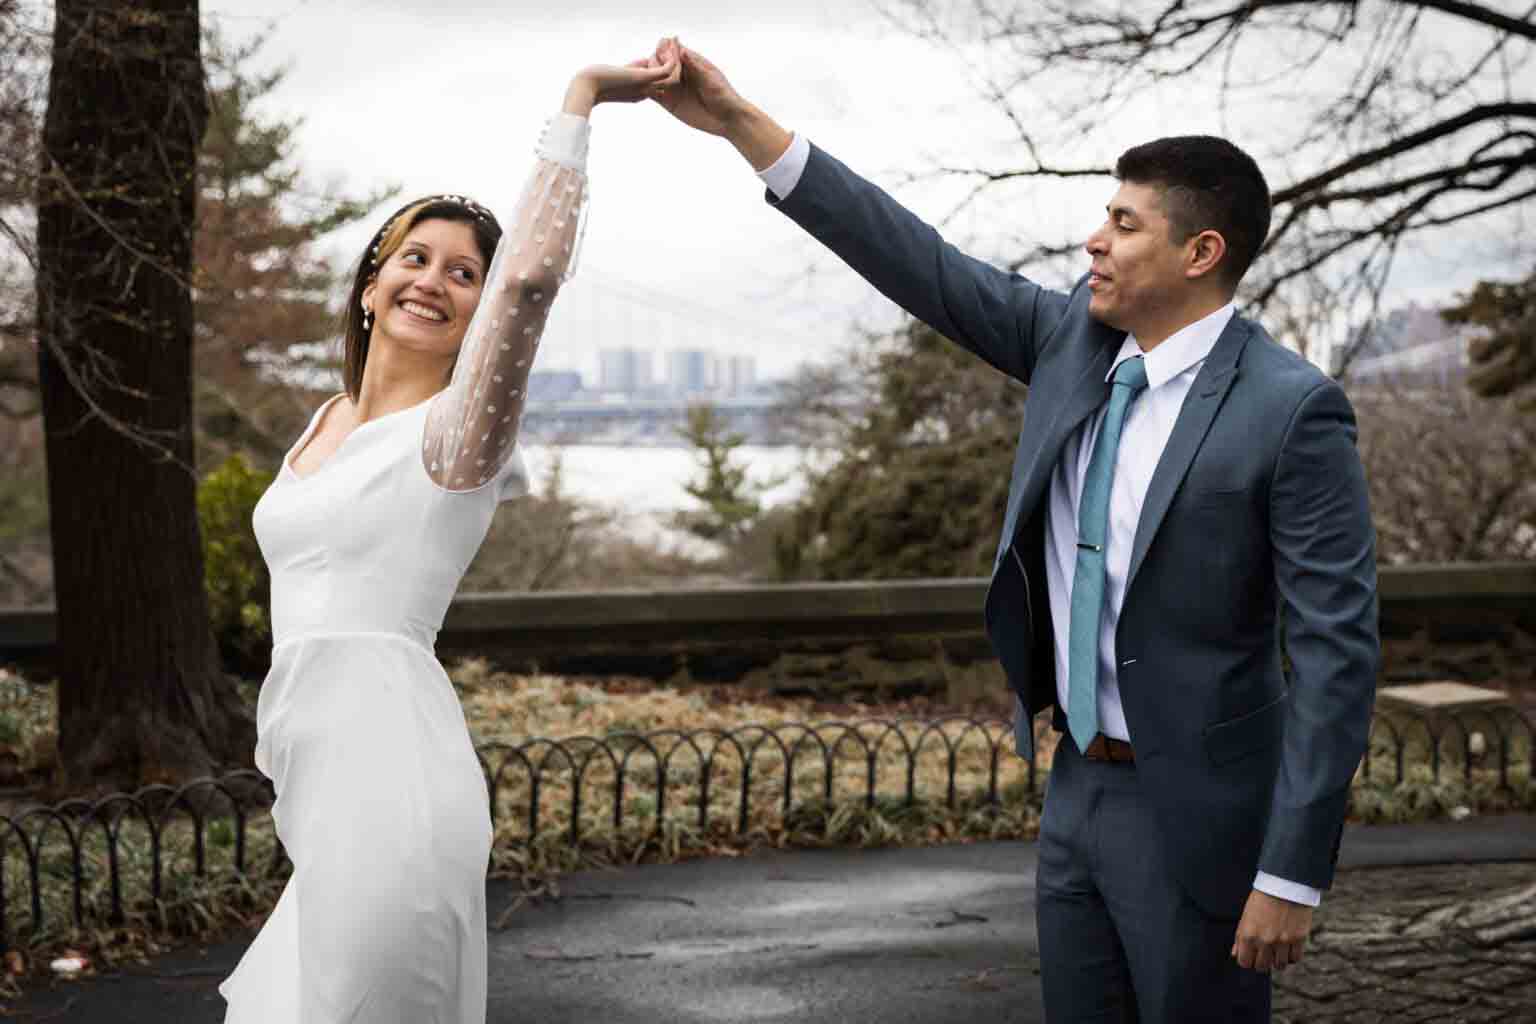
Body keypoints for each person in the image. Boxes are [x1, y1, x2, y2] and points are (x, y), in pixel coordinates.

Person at [639, 38, 1379, 1023]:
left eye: (1123, 223)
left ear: (1202, 253)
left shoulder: (1293, 409)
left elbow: (1336, 653)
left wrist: (1291, 872)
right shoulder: (1067, 338)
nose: (1094, 242)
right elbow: (915, 258)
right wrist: (741, 123)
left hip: (1202, 811)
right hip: (1075, 789)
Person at [217, 52, 680, 1024]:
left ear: (478, 308)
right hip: (319, 792)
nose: (436, 280)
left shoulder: (457, 437)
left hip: (397, 788)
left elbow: (533, 284)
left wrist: (581, 102)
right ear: (370, 285)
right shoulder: (325, 419)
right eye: (415, 258)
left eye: (464, 272)